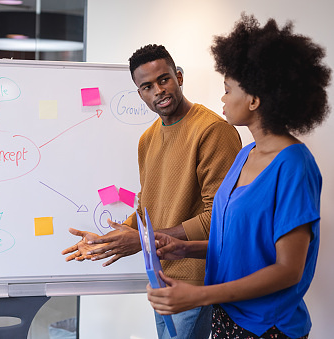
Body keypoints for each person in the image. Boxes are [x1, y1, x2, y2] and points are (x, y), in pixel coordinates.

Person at [146, 14, 331, 339]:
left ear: (255, 100)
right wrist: (185, 249)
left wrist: (200, 295)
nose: (222, 98)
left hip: (268, 327)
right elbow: (238, 243)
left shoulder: (294, 166)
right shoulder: (246, 154)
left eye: (228, 89)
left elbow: (288, 270)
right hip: (228, 317)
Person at [62, 44, 242, 339]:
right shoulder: (147, 139)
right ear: (140, 93)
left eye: (164, 79)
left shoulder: (212, 130)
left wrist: (145, 240)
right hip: (160, 278)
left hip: (198, 281)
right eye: (147, 86)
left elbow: (221, 218)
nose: (158, 90)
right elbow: (149, 207)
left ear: (179, 78)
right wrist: (107, 241)